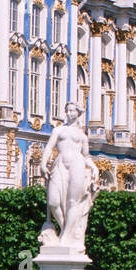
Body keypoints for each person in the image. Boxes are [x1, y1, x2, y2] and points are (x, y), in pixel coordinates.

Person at [37, 102, 96, 248]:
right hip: (60, 164)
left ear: (78, 112)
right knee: (53, 202)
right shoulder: (58, 130)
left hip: (77, 165)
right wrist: (43, 164)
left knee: (72, 202)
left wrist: (94, 167)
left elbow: (86, 156)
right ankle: (66, 230)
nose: (69, 113)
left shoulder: (82, 136)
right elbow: (50, 147)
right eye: (67, 110)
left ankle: (66, 238)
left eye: (72, 110)